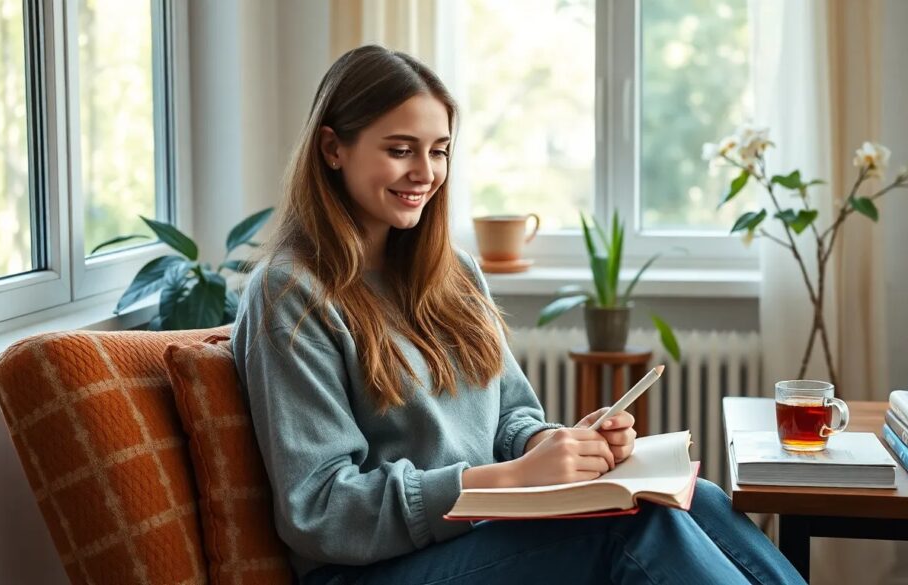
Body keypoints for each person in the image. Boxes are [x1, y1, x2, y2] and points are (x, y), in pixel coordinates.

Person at [231, 44, 805, 585]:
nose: (426, 172)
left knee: (691, 494)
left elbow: (511, 419)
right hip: (370, 570)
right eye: (400, 149)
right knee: (634, 525)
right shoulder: (289, 294)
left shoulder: (452, 272)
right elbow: (322, 510)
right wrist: (508, 479)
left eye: (439, 150)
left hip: (477, 536)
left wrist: (559, 448)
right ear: (333, 149)